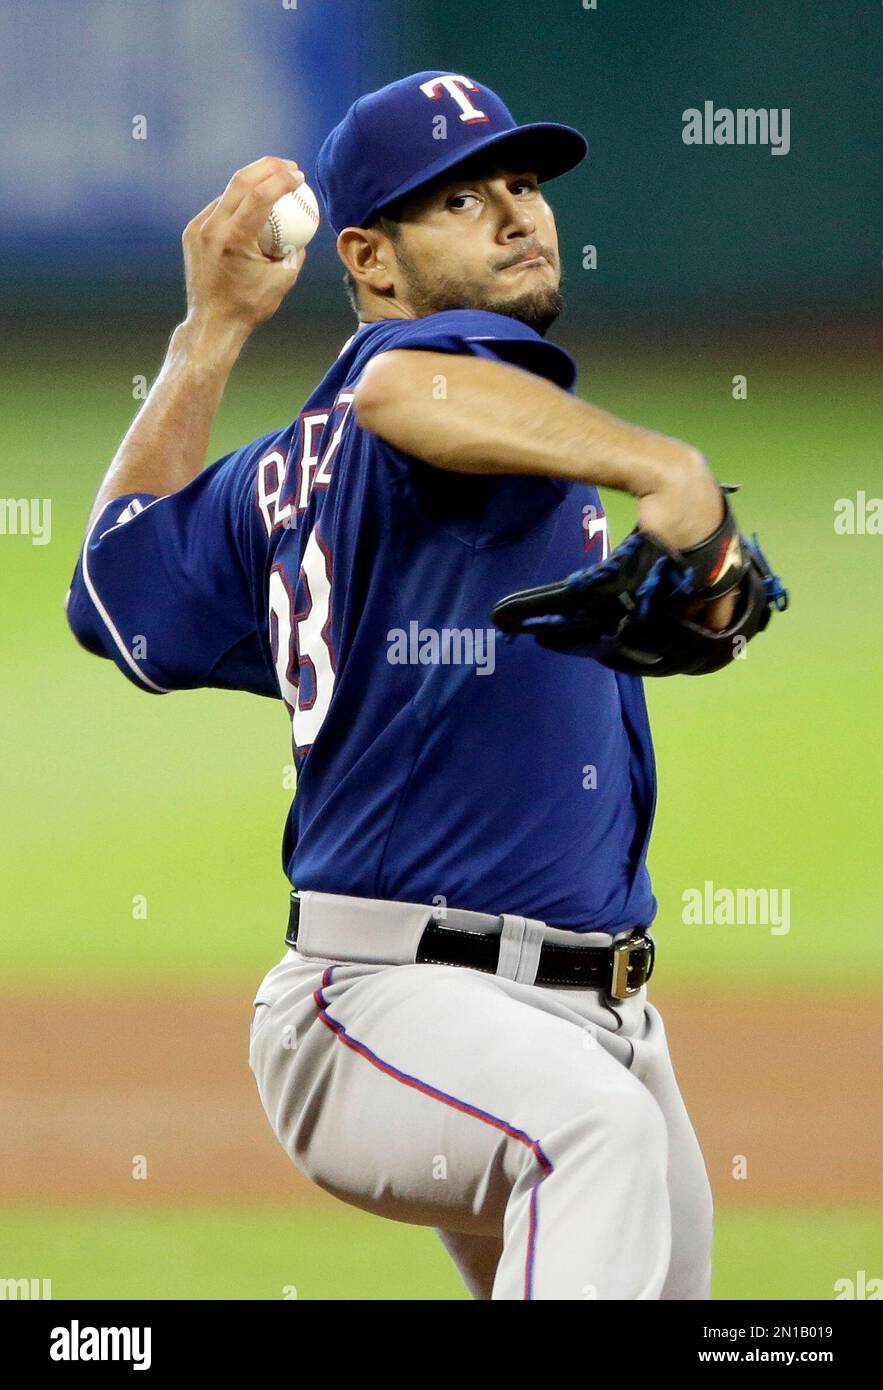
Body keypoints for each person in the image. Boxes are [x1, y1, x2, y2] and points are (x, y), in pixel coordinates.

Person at [66, 71, 736, 1300]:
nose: (517, 213)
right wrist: (664, 467)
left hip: (571, 1021)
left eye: (523, 185)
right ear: (368, 258)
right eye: (463, 200)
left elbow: (113, 587)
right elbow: (400, 387)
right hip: (389, 1001)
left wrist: (205, 337)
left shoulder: (289, 469)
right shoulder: (432, 380)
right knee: (593, 1138)